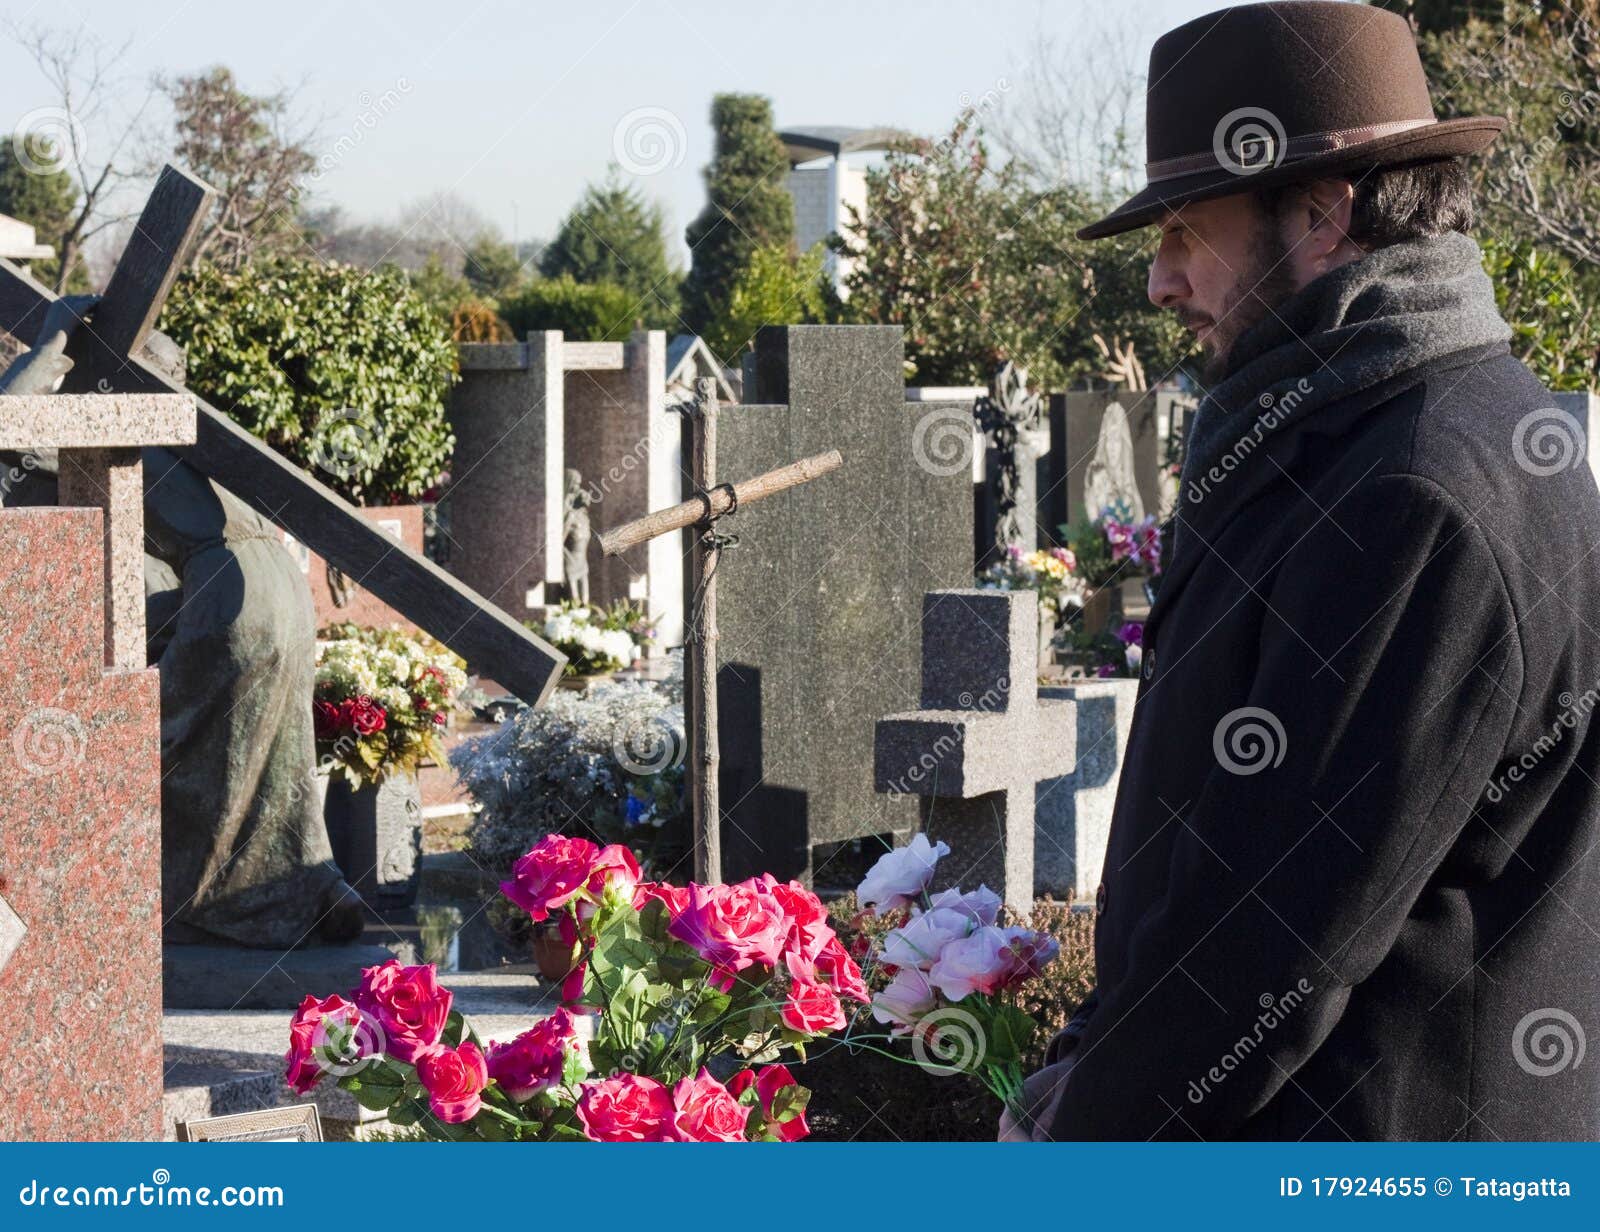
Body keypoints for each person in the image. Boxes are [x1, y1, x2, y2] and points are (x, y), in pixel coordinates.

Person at [1005, 0, 1600, 1140]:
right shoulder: (1382, 433)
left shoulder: (1412, 491)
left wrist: (1080, 1146)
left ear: (1323, 215)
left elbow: (1274, 935)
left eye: (1186, 230)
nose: (1160, 282)